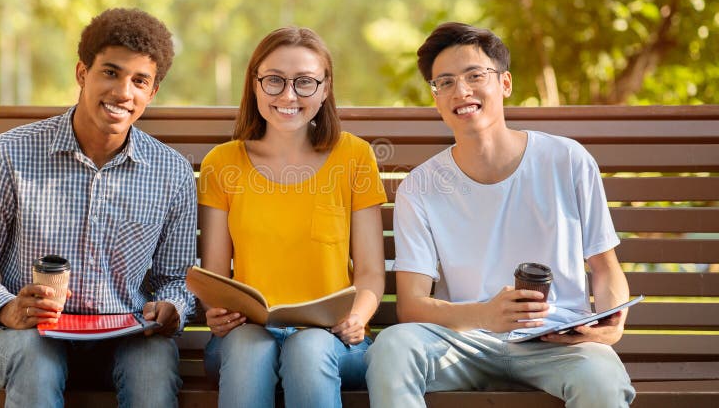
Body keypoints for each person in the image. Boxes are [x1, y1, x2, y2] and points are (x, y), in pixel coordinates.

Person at [365, 22, 635, 407]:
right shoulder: (419, 187)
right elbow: (411, 305)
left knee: (603, 381)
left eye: (475, 75)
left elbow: (606, 269)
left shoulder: (568, 160)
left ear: (505, 83)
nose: (461, 91)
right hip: (462, 342)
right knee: (392, 347)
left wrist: (611, 324)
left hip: (556, 342)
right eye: (445, 82)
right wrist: (485, 315)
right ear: (437, 99)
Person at [0, 8, 196, 408]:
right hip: (33, 337)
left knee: (153, 362)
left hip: (127, 336)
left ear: (152, 92)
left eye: (139, 81)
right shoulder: (8, 156)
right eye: (110, 73)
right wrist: (6, 307)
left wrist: (172, 309)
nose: (122, 93)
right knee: (35, 361)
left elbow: (176, 279)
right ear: (82, 73)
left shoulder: (173, 173)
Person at [198, 27, 386, 408]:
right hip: (247, 335)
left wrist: (357, 317)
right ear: (254, 84)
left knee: (308, 348)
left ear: (325, 88)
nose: (288, 95)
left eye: (304, 82)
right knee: (251, 350)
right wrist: (215, 313)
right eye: (274, 81)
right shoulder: (223, 163)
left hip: (332, 338)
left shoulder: (355, 157)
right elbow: (216, 277)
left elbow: (370, 272)